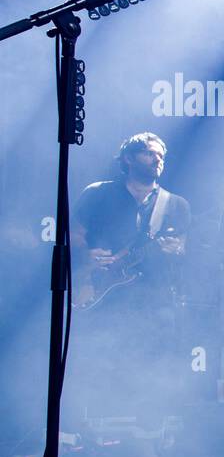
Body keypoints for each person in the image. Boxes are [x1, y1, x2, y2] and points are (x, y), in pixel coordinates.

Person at [69, 131, 191, 423]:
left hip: (153, 297)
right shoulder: (98, 193)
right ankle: (88, 429)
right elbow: (75, 234)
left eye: (161, 155)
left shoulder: (175, 205)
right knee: (98, 364)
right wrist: (86, 259)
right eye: (150, 153)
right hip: (102, 291)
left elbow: (181, 247)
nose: (157, 159)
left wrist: (175, 250)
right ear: (128, 158)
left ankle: (143, 439)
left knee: (150, 369)